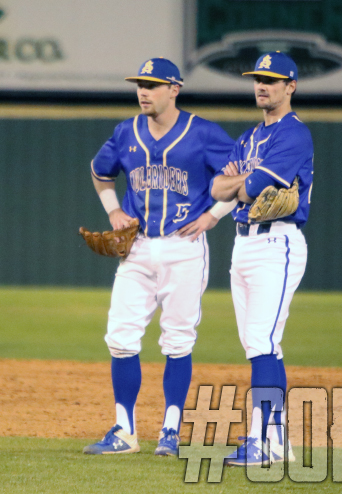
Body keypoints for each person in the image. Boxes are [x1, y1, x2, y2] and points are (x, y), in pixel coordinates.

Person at [84, 58, 237, 456]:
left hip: (183, 248)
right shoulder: (126, 131)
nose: (143, 91)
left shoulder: (203, 132)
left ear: (174, 89)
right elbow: (100, 171)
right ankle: (124, 431)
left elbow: (241, 177)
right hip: (136, 248)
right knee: (120, 337)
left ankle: (170, 430)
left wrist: (214, 215)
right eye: (140, 84)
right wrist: (113, 211)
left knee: (178, 340)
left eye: (152, 85)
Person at [210, 51, 314, 467]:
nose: (262, 85)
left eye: (271, 79)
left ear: (291, 86)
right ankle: (277, 440)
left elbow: (251, 187)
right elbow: (218, 188)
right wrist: (240, 183)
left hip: (277, 243)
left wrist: (240, 183)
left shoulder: (294, 134)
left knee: (261, 342)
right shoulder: (248, 137)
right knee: (261, 344)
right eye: (258, 79)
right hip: (243, 244)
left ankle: (260, 440)